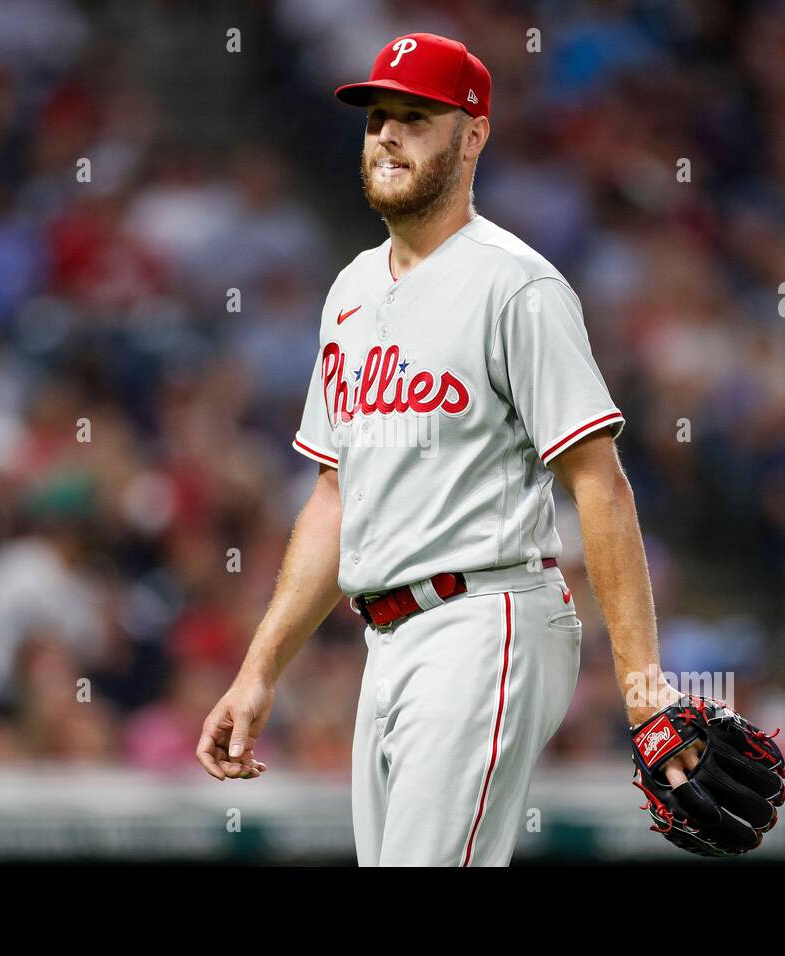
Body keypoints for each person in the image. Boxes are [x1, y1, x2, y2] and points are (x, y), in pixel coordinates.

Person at [197, 32, 700, 866]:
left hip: (486, 617)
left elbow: (599, 483)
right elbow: (334, 497)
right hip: (385, 639)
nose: (387, 134)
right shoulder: (352, 290)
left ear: (473, 136)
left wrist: (644, 689)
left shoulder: (518, 286)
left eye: (415, 118)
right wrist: (259, 671)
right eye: (376, 119)